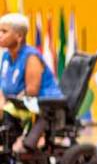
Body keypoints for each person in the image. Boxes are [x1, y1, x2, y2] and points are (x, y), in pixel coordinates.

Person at [0, 13, 62, 152]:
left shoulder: (31, 56)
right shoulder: (5, 56)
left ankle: (17, 146)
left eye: (4, 31)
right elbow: (3, 87)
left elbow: (31, 90)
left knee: (8, 113)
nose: (0, 35)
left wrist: (5, 105)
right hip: (17, 103)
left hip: (42, 104)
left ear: (19, 36)